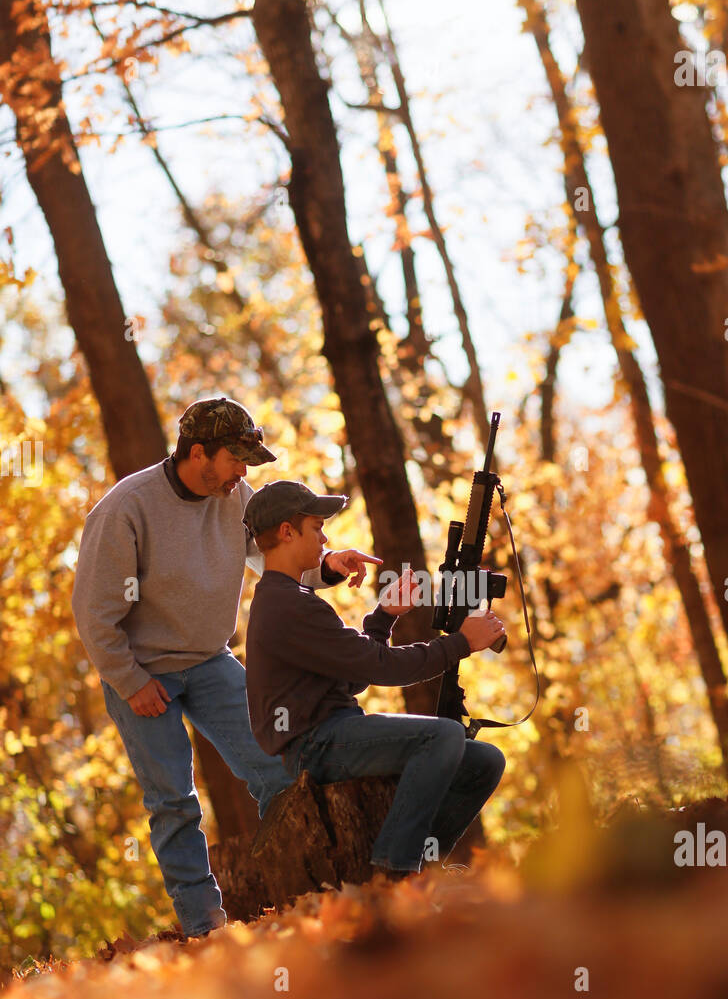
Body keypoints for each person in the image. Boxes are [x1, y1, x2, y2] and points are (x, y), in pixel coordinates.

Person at [71, 397, 379, 938]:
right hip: (141, 671)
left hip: (210, 659)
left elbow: (274, 561)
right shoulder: (126, 509)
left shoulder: (235, 495)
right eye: (236, 459)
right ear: (197, 453)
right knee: (173, 802)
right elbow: (95, 615)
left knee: (279, 768)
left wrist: (327, 566)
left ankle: (305, 897)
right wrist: (130, 681)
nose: (244, 472)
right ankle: (206, 930)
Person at [243, 480, 507, 877]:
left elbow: (353, 678)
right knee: (444, 735)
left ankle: (422, 864)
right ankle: (395, 871)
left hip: (336, 734)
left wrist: (383, 618)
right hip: (316, 745)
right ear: (286, 532)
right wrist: (461, 643)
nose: (325, 537)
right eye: (316, 527)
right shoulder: (286, 605)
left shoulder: (292, 601)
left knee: (484, 761)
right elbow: (380, 668)